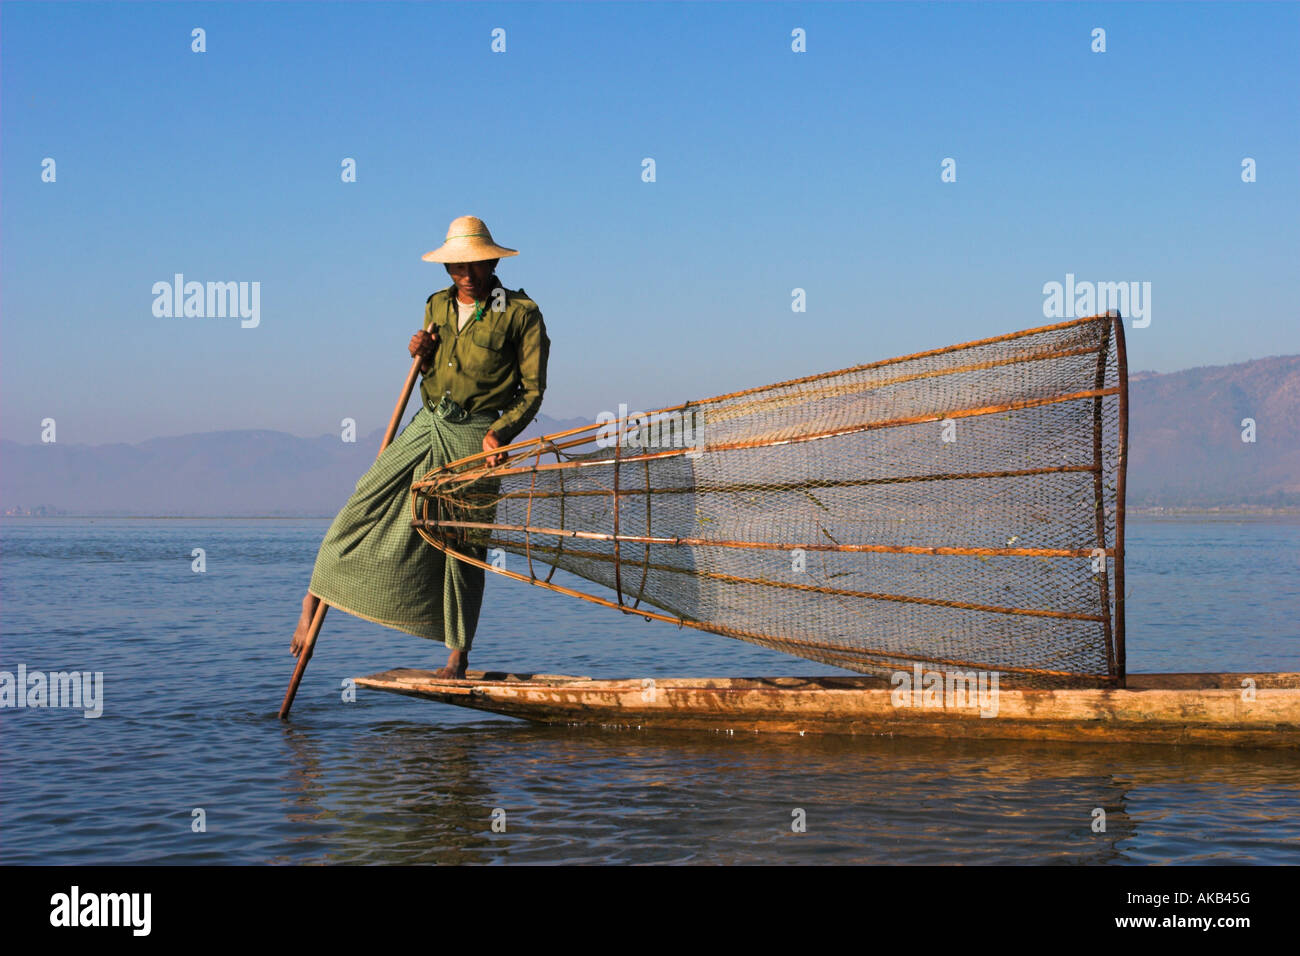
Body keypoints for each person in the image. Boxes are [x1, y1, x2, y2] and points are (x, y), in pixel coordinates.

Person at [289, 216, 550, 678]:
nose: (465, 274)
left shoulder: (520, 312)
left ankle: (458, 653)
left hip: (475, 436)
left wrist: (499, 434)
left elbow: (531, 390)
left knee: (462, 541)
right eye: (456, 266)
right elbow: (431, 375)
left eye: (474, 264)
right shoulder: (435, 306)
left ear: (492, 261)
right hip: (428, 423)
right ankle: (314, 595)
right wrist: (422, 354)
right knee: (362, 504)